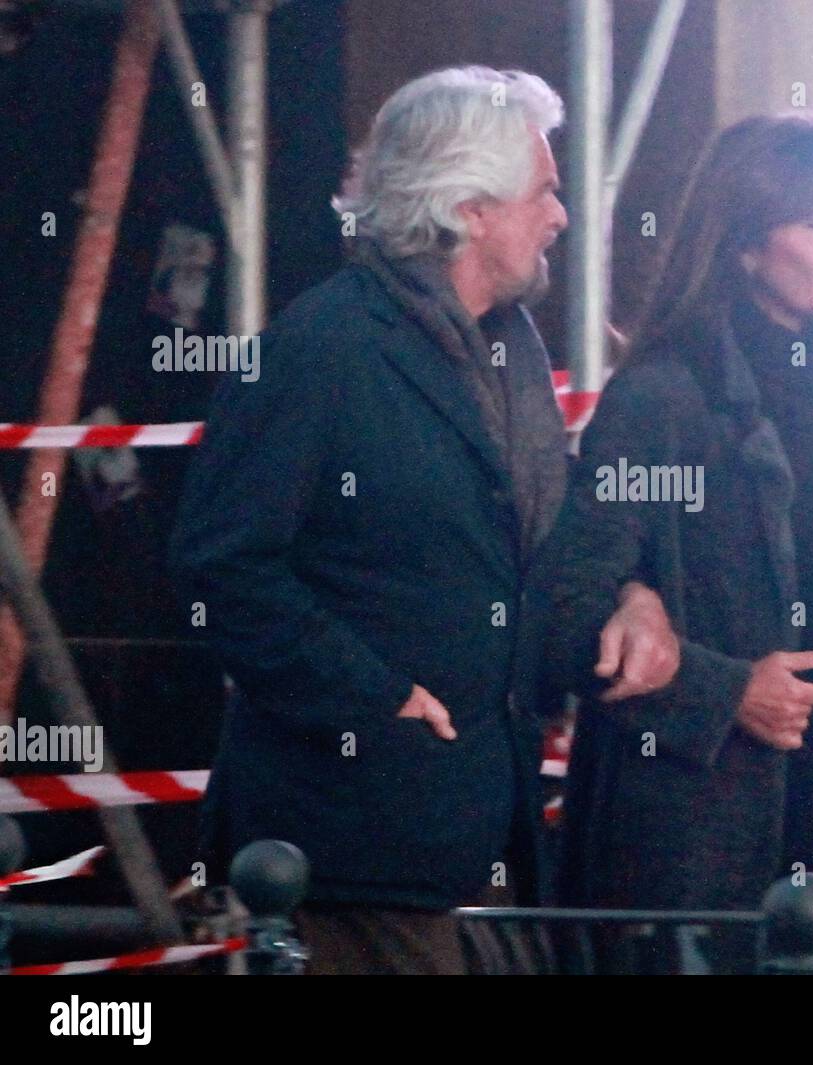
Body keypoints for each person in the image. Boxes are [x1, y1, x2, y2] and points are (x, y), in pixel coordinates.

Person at [169, 66, 672, 974]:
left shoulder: (512, 346)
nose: (560, 215)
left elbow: (534, 549)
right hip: (352, 840)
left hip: (487, 835)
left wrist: (631, 594)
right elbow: (222, 565)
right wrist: (377, 700)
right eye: (545, 191)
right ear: (470, 207)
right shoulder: (321, 347)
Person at [536, 112, 813, 933]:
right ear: (743, 246)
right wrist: (726, 690)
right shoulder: (666, 397)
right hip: (706, 850)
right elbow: (565, 614)